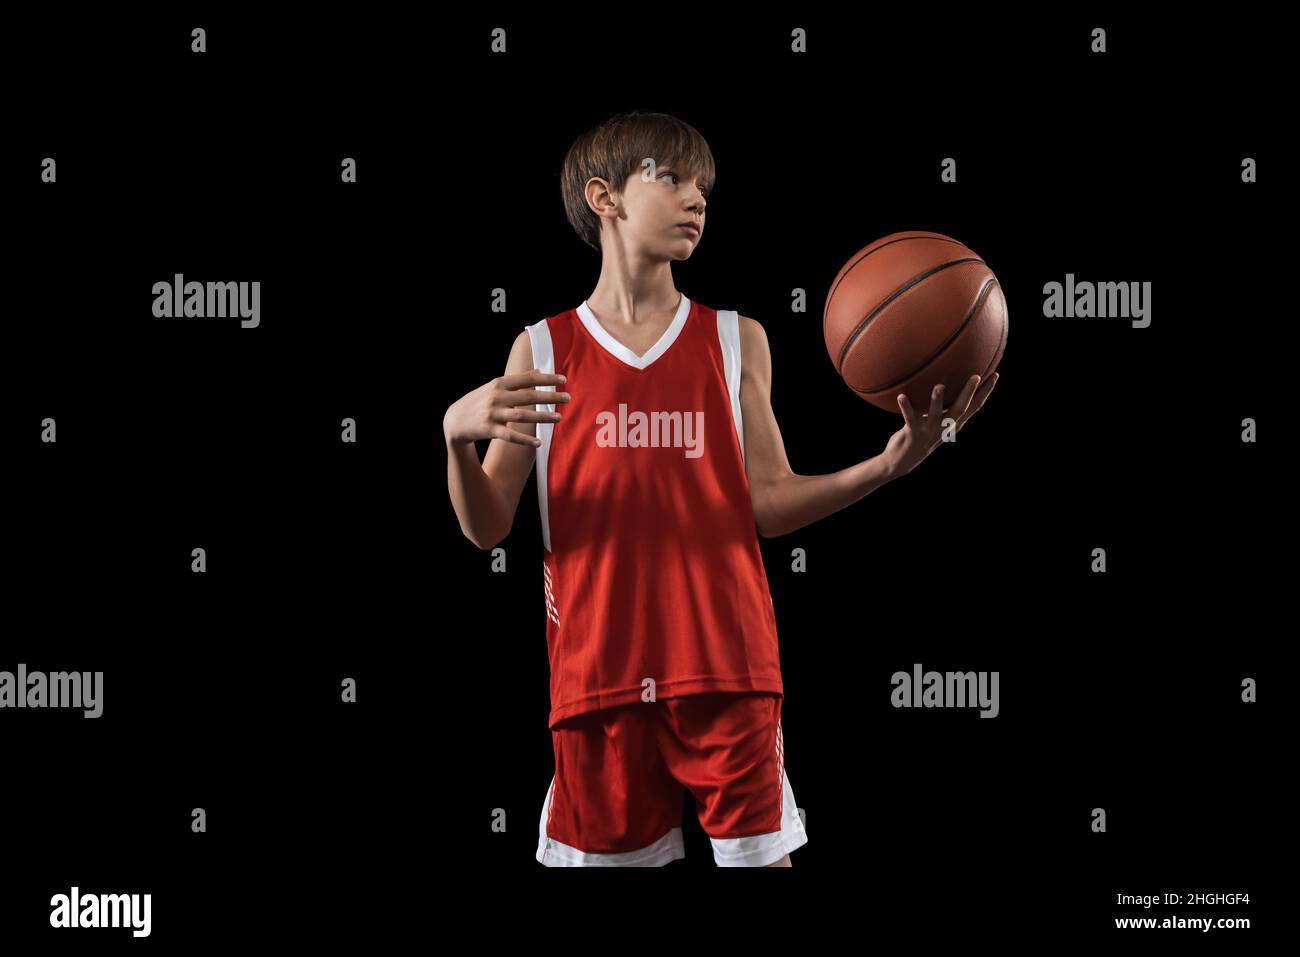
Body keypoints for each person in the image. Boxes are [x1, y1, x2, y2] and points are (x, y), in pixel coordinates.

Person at [444, 111, 998, 867]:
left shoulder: (737, 338)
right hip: (597, 675)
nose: (697, 198)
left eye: (703, 185)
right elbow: (487, 526)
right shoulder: (543, 348)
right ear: (603, 197)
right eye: (670, 178)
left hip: (727, 667)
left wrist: (887, 465)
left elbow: (767, 502)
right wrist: (454, 436)